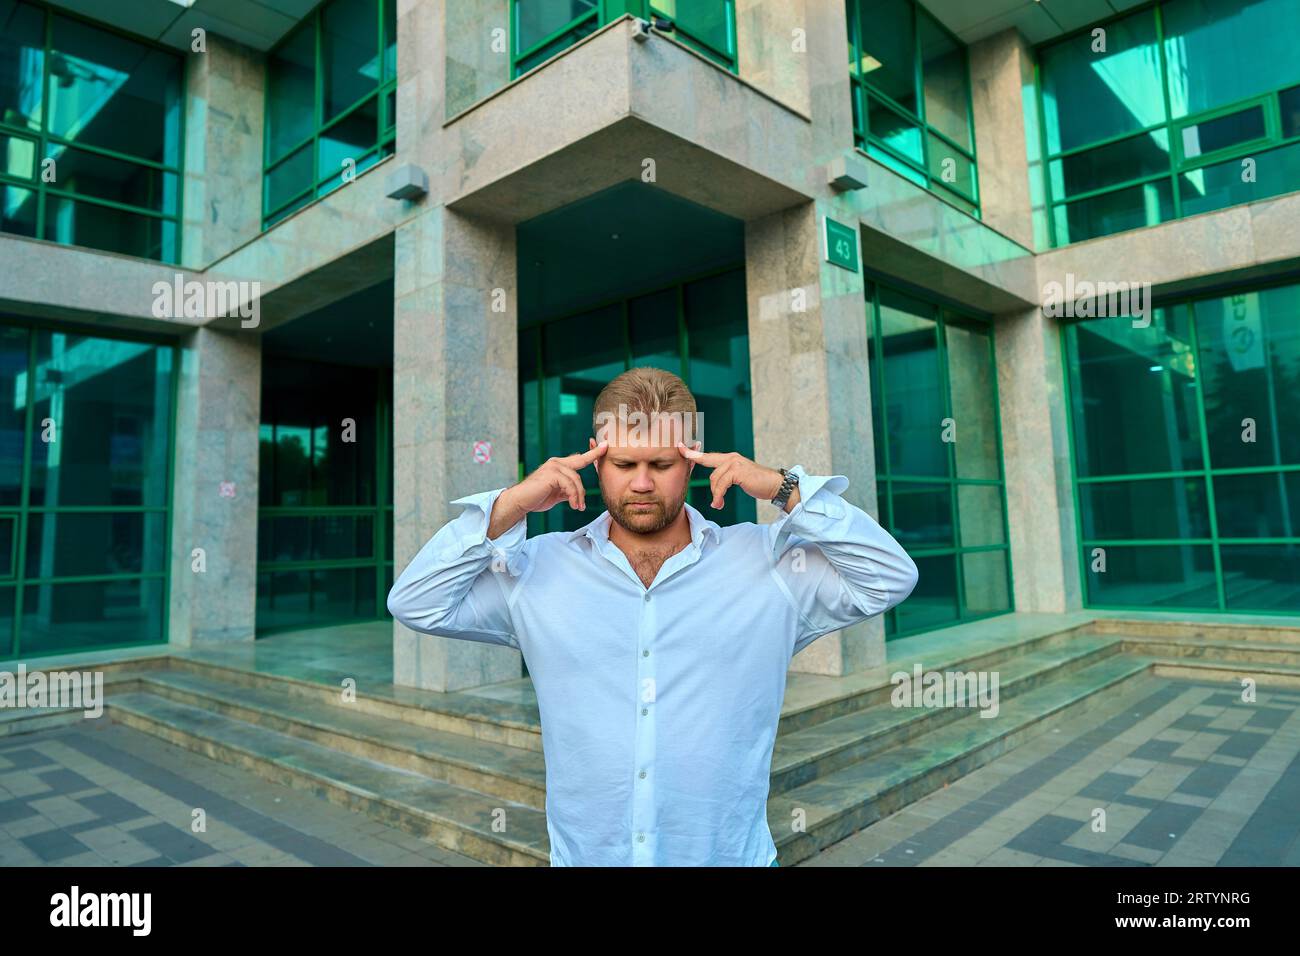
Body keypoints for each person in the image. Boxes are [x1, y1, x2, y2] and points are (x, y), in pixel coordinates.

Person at [388, 366, 918, 866]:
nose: (641, 483)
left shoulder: (770, 566)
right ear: (595, 462)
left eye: (661, 465)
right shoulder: (536, 570)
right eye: (623, 464)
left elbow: (889, 577)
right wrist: (510, 506)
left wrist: (787, 490)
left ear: (692, 463)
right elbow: (416, 602)